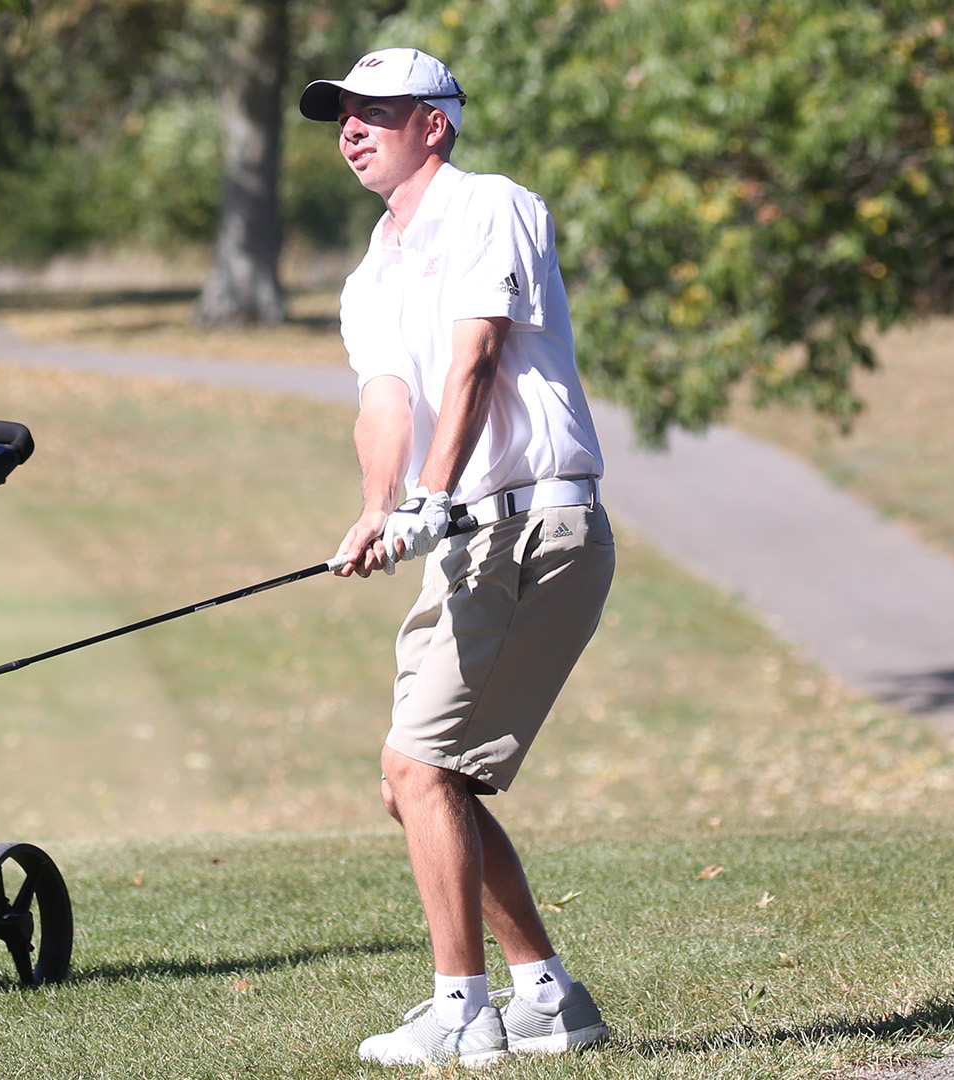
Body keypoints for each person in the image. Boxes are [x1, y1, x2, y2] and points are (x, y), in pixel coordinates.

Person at [299, 47, 618, 1067]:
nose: (351, 131)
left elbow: (475, 355)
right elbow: (387, 398)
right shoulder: (369, 273)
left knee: (419, 766)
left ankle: (462, 1013)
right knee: (418, 784)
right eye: (342, 116)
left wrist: (433, 498)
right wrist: (377, 508)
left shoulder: (493, 207)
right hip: (465, 537)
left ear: (434, 123)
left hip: (532, 526)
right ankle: (546, 997)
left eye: (375, 114)